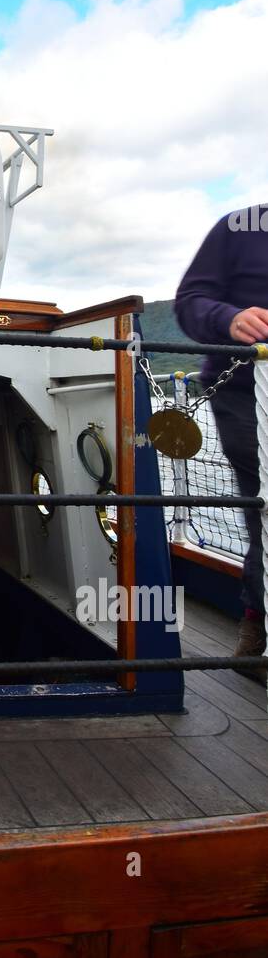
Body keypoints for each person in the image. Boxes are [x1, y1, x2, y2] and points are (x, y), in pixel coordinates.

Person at [175, 208, 268, 676]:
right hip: (244, 392)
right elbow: (190, 300)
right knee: (266, 507)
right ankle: (257, 631)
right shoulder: (240, 228)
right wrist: (229, 319)